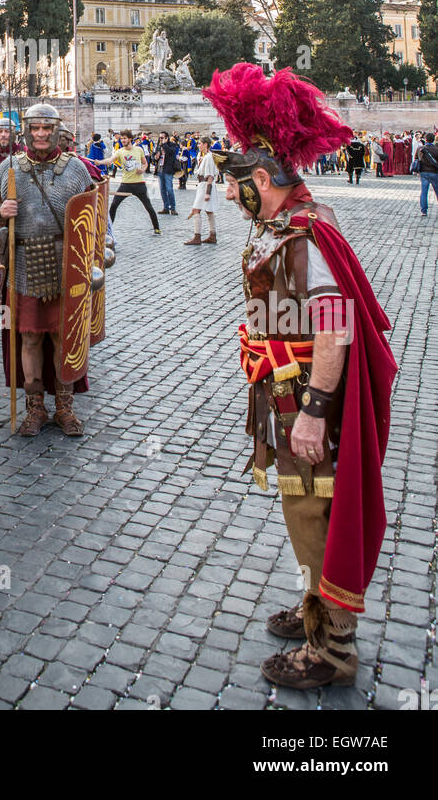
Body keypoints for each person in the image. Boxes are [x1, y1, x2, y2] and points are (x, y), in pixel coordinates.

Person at [204, 63, 396, 689]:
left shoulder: (306, 236)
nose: (229, 194)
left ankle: (333, 649)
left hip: (304, 400)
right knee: (300, 507)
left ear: (264, 180)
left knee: (315, 511)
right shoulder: (284, 225)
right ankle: (316, 604)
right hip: (280, 393)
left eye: (237, 185)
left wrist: (314, 411)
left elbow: (336, 328)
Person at [0, 102, 96, 437]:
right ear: (27, 131)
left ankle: (64, 407)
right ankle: (35, 407)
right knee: (29, 338)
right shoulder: (8, 167)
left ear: (56, 131)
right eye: (35, 128)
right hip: (23, 262)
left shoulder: (77, 170)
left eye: (46, 129)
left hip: (66, 262)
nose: (40, 135)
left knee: (63, 336)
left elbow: (94, 216)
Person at [108, 129, 161, 235]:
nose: (122, 140)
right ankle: (108, 231)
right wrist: (99, 161)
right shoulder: (120, 151)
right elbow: (109, 160)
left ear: (130, 139)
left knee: (148, 206)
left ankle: (157, 228)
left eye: (124, 138)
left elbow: (145, 163)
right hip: (125, 184)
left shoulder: (138, 150)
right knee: (114, 205)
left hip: (139, 184)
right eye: (121, 138)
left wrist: (143, 169)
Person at [184, 136, 219, 245]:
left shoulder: (209, 157)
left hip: (206, 186)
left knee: (196, 210)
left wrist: (207, 193)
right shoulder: (201, 156)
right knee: (209, 211)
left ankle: (197, 237)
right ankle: (212, 236)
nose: (198, 145)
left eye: (200, 143)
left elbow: (210, 176)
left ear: (205, 144)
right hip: (202, 185)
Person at [156, 131, 179, 215]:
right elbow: (154, 155)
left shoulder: (172, 145)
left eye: (162, 138)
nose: (160, 139)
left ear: (166, 138)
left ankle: (173, 208)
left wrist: (164, 144)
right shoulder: (159, 146)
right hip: (160, 169)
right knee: (162, 190)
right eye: (160, 138)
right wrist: (155, 156)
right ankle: (165, 207)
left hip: (168, 170)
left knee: (169, 189)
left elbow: (171, 152)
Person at [417, 132, 438, 215]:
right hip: (434, 172)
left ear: (425, 139)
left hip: (423, 172)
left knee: (424, 192)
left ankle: (423, 210)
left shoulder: (420, 149)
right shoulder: (436, 149)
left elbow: (416, 159)